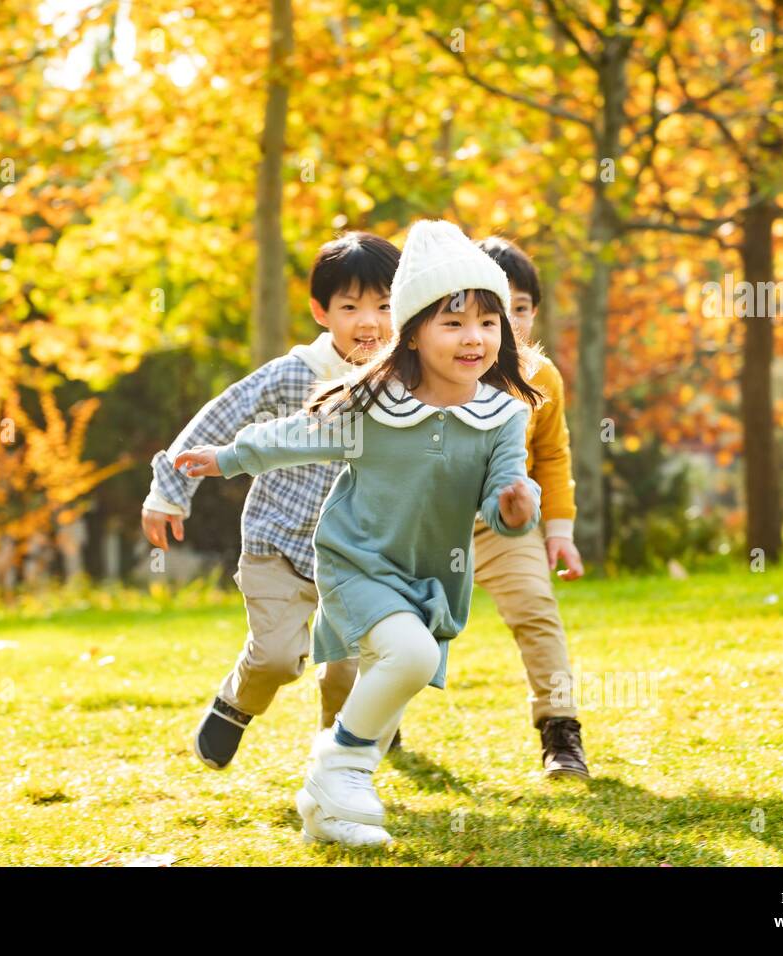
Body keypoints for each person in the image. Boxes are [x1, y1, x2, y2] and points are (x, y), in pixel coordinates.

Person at [174, 220, 542, 845]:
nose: (473, 337)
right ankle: (338, 769)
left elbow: (506, 497)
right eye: (452, 323)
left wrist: (516, 502)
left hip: (427, 578)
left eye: (488, 322)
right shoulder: (379, 403)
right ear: (415, 333)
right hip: (354, 563)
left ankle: (327, 810)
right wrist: (227, 457)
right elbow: (299, 435)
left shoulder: (501, 414)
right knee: (413, 656)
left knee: (397, 675)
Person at [320, 235, 591, 777]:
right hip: (414, 523)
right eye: (490, 307)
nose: (506, 322)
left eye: (519, 309)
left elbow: (552, 455)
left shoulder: (539, 379)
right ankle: (348, 734)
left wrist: (557, 528)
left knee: (537, 610)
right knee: (369, 630)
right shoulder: (421, 369)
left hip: (500, 523)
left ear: (533, 314)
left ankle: (560, 729)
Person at [141, 232, 399, 769]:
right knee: (279, 659)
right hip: (277, 545)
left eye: (384, 305)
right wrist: (169, 490)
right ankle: (236, 703)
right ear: (321, 312)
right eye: (350, 307)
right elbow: (222, 416)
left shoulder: (407, 385)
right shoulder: (294, 374)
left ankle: (342, 757)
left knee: (349, 669)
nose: (369, 322)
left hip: (357, 557)